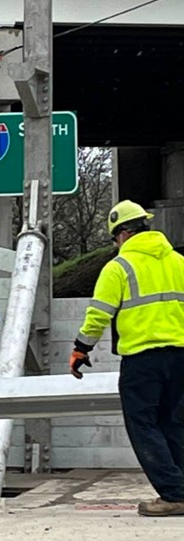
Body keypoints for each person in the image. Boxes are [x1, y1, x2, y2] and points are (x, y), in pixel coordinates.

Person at [70, 200, 184, 517]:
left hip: (143, 360)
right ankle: (180, 489)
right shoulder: (178, 262)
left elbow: (98, 314)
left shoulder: (119, 267)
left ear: (121, 234)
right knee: (173, 424)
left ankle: (174, 494)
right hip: (180, 357)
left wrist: (81, 349)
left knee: (143, 425)